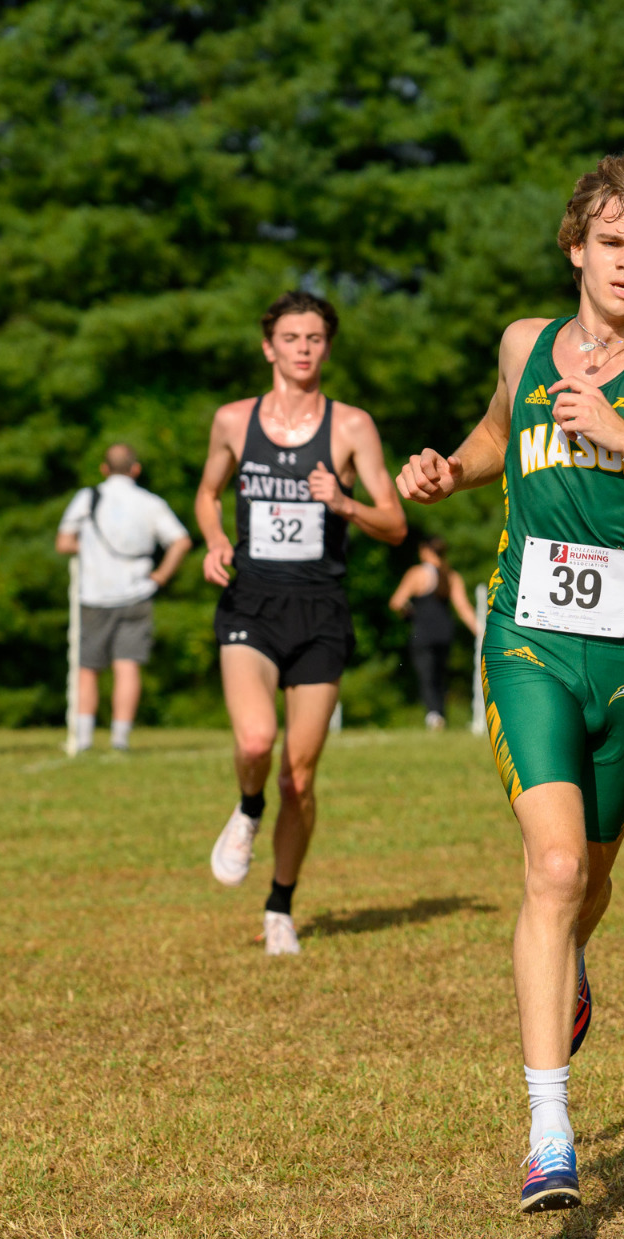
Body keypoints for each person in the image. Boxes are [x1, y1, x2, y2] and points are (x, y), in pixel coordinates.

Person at [395, 154, 624, 1214]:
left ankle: (566, 967)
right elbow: (496, 428)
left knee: (584, 887)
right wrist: (445, 470)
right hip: (527, 639)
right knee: (551, 869)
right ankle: (548, 1129)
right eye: (610, 243)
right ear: (574, 246)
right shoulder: (526, 344)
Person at [195, 291, 407, 956]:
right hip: (251, 603)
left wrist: (341, 502)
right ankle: (248, 809)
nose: (304, 349)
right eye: (291, 338)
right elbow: (208, 493)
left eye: (315, 338)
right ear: (269, 347)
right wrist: (212, 541)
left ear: (327, 348)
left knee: (300, 775)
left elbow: (395, 523)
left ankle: (280, 904)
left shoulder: (351, 428)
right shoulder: (233, 420)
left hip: (320, 611)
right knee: (258, 742)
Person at [56, 444, 193, 752]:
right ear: (136, 469)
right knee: (128, 666)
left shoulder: (87, 497)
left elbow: (64, 542)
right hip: (136, 592)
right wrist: (161, 575)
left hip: (93, 593)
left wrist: (91, 550)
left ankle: (85, 738)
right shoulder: (150, 502)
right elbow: (180, 541)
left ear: (104, 468)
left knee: (87, 667)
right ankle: (120, 738)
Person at [388, 536, 480, 729]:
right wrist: (482, 632)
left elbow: (396, 602)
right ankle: (440, 715)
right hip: (445, 631)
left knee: (426, 675)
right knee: (440, 675)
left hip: (423, 631)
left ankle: (433, 714)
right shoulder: (451, 576)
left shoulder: (417, 573)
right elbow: (463, 609)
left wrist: (409, 612)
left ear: (426, 551)